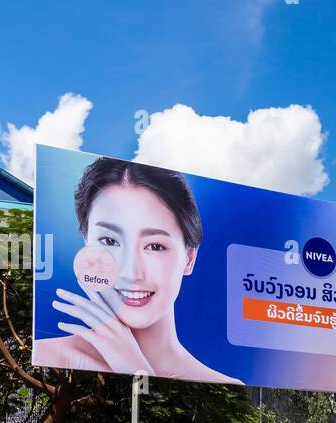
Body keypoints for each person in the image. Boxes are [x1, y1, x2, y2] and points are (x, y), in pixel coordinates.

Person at [34, 156, 238, 383]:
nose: (131, 273)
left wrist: (136, 369)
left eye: (155, 246)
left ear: (189, 258)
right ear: (86, 243)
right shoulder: (47, 354)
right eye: (110, 242)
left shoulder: (225, 385)